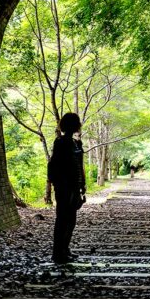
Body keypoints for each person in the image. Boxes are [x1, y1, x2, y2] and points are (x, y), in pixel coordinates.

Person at [46, 112, 86, 265]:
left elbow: (79, 166)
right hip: (64, 188)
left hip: (73, 187)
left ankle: (64, 249)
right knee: (63, 219)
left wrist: (82, 186)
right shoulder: (61, 143)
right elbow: (56, 166)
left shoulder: (76, 144)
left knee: (71, 220)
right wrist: (60, 185)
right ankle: (58, 253)